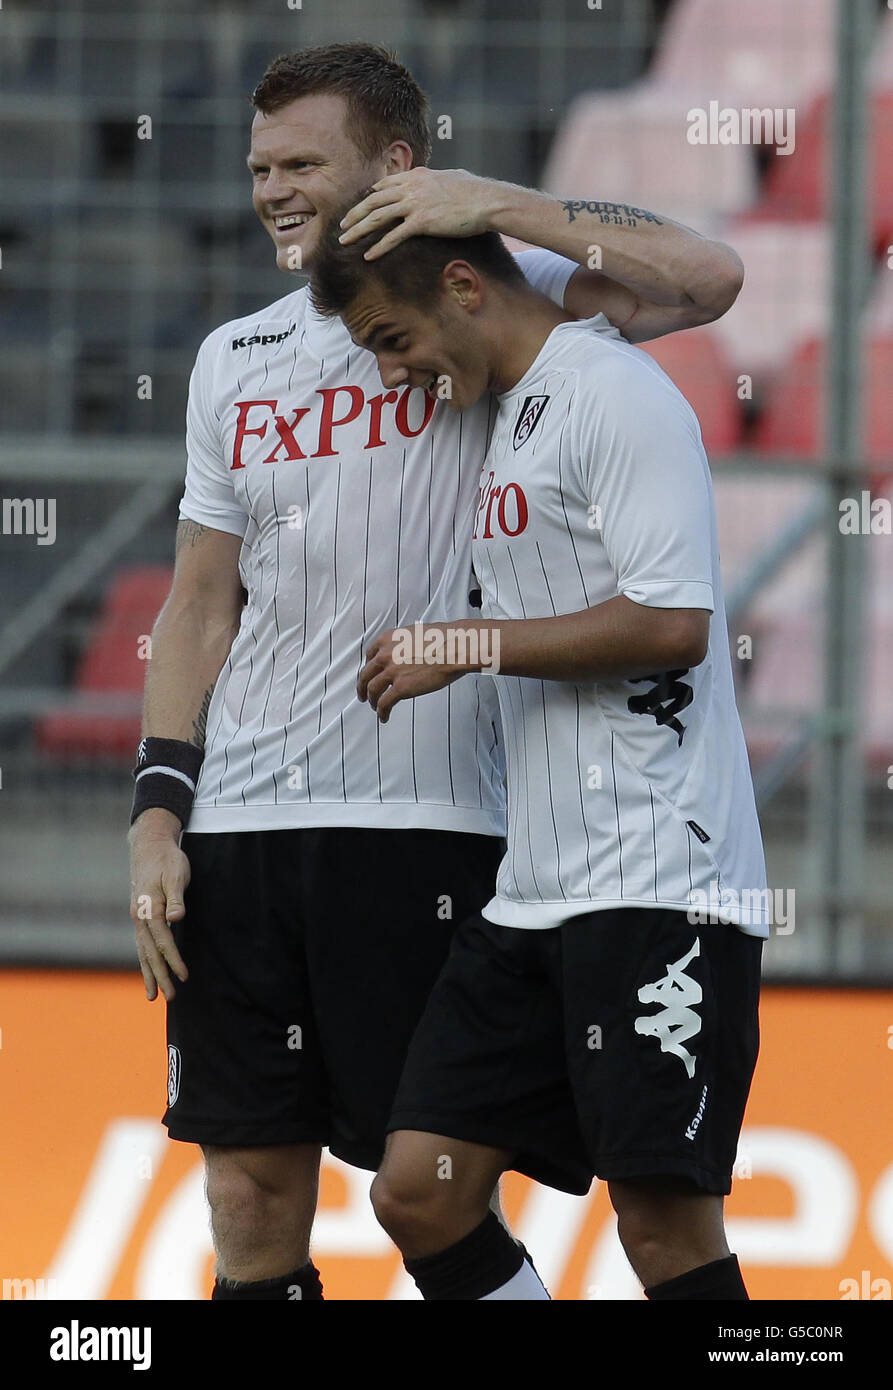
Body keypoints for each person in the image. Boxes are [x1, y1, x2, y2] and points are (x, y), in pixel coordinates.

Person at [127, 41, 745, 1301]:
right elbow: (200, 598)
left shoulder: (499, 308)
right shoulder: (232, 360)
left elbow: (711, 276)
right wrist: (157, 807)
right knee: (247, 1197)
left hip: (434, 820)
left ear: (401, 169)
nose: (272, 190)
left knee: (439, 1192)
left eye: (304, 162)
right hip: (245, 823)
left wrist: (501, 205)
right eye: (258, 167)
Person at [309, 215, 767, 1301]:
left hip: (662, 880)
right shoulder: (508, 413)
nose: (391, 370)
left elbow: (670, 623)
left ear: (462, 286)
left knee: (663, 1230)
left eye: (390, 337)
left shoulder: (614, 393)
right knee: (417, 1188)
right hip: (536, 892)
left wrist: (460, 647)